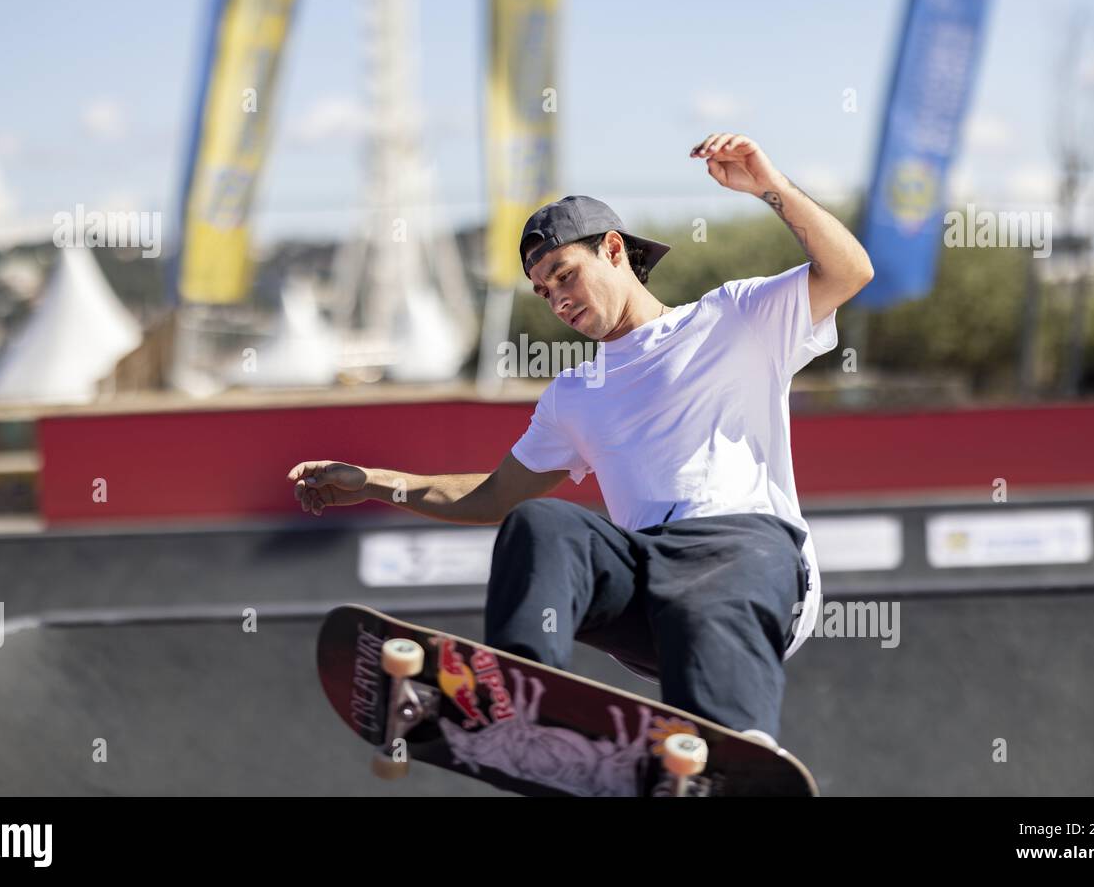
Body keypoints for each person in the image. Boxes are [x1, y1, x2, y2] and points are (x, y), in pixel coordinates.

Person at [288, 132, 873, 746]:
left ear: (613, 249)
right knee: (541, 523)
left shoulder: (734, 319)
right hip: (651, 593)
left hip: (756, 566)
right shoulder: (575, 393)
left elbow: (849, 269)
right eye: (543, 291)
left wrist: (770, 188)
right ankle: (521, 688)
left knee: (723, 567)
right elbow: (492, 496)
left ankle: (733, 742)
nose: (557, 300)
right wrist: (377, 483)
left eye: (564, 275)